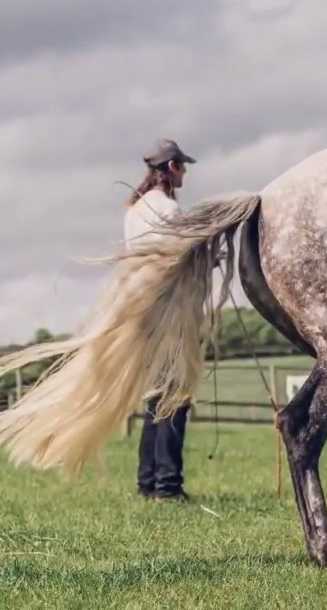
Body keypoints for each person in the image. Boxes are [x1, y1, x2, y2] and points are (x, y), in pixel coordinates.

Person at [125, 138, 198, 502]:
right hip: (170, 308)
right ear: (171, 167)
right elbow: (179, 259)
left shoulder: (134, 210)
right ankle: (167, 486)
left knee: (155, 397)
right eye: (182, 166)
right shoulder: (169, 210)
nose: (185, 173)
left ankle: (147, 481)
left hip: (142, 309)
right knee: (175, 396)